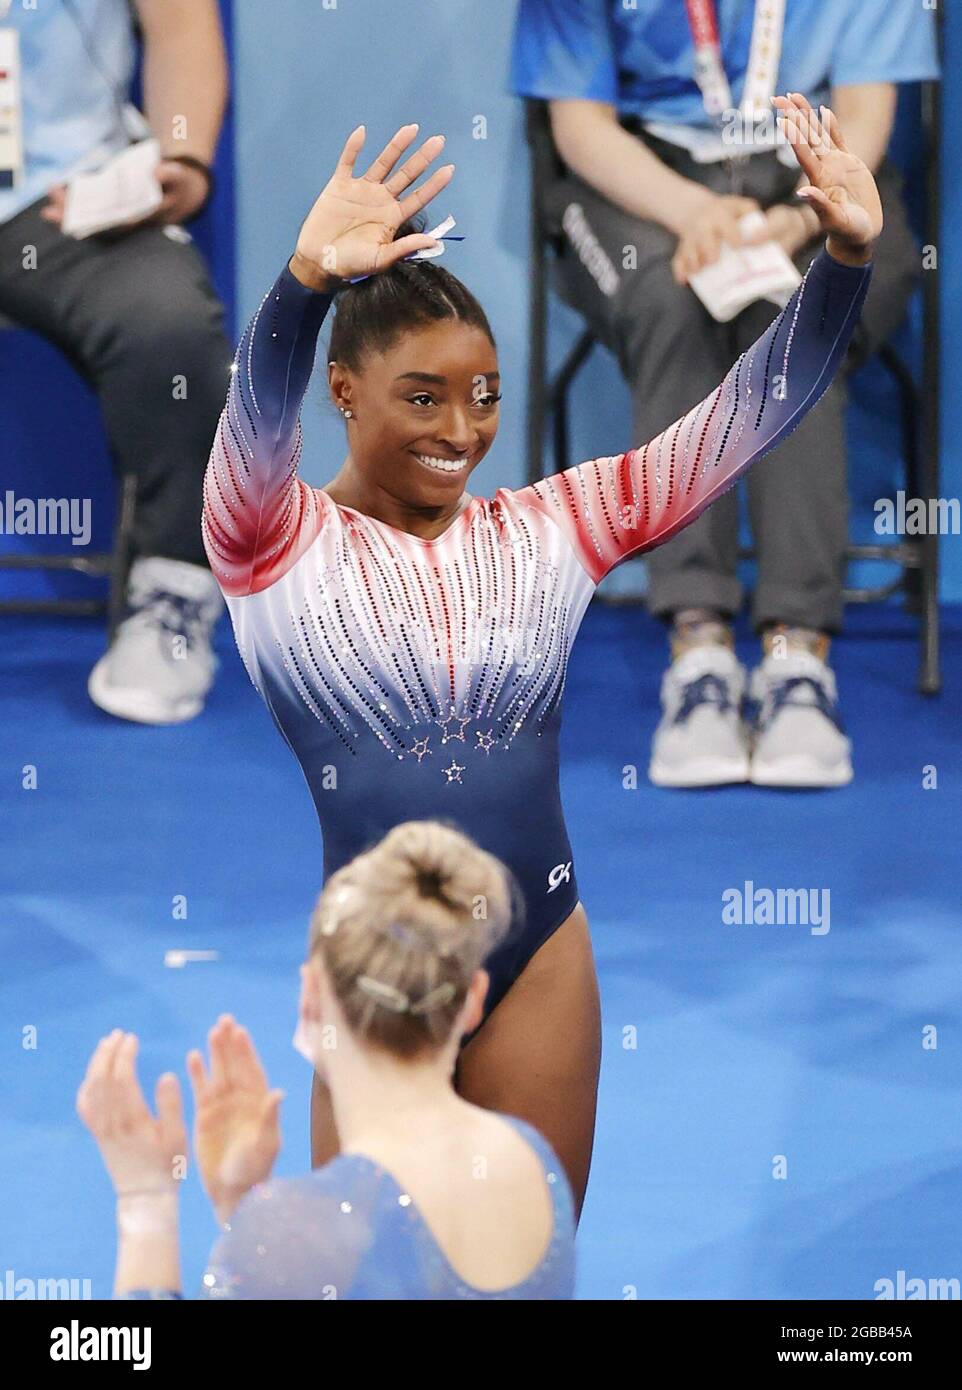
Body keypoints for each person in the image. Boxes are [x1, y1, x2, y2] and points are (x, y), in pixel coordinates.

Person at [202, 98, 880, 1214]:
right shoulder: (269, 541)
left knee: (528, 1264)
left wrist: (843, 263)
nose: (459, 430)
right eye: (421, 397)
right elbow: (252, 425)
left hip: (541, 955)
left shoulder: (553, 525)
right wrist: (302, 285)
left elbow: (740, 418)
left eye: (482, 398)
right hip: (376, 968)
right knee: (369, 1282)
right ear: (343, 393)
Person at [511, 0, 938, 787]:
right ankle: (699, 653)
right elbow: (579, 129)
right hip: (641, 184)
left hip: (816, 176)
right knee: (669, 303)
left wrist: (800, 221)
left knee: (800, 317)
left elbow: (868, 117)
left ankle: (796, 660)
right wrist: (696, 213)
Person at [76, 821, 577, 1300]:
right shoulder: (532, 1161)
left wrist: (147, 1204)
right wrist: (245, 1207)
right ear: (472, 999)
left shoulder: (321, 1226)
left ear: (310, 998)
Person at [0, 0, 232, 724]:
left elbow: (181, 27)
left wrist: (183, 157)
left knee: (170, 330)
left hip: (62, 202)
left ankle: (171, 599)